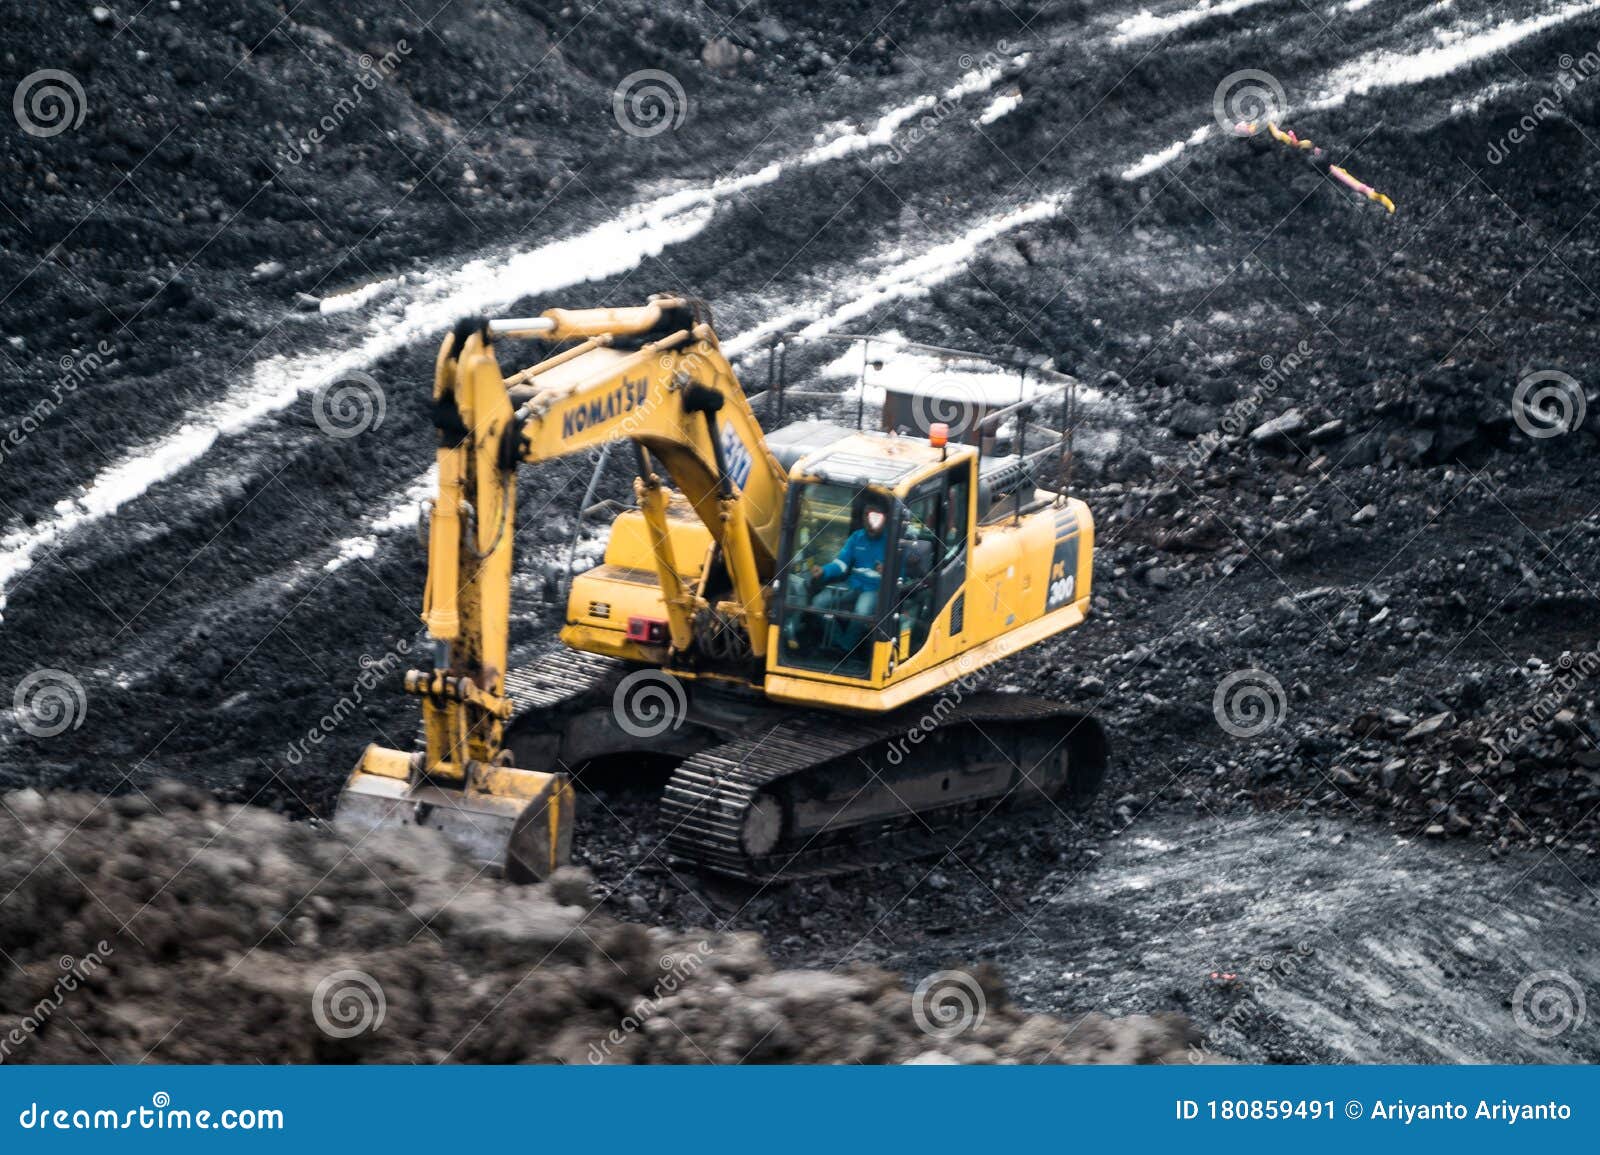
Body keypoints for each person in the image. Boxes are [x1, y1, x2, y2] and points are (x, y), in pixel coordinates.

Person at [808, 498, 888, 652]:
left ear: (885, 519)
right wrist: (824, 570)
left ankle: (845, 648)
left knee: (862, 612)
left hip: (874, 589)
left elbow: (902, 575)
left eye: (875, 516)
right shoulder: (856, 537)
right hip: (853, 584)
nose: (870, 520)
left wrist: (888, 570)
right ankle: (839, 641)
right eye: (866, 515)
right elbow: (841, 564)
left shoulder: (892, 542)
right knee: (818, 603)